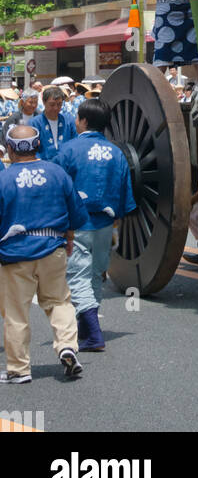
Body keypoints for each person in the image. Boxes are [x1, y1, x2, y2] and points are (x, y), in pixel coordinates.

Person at [0, 125, 85, 383]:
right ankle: (67, 346)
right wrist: (68, 238)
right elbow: (76, 212)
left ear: (10, 149)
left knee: (16, 313)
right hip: (53, 247)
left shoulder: (3, 179)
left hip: (15, 253)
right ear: (38, 146)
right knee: (59, 301)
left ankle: (19, 369)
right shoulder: (56, 173)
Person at [57, 98, 137, 352]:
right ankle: (86, 328)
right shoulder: (117, 153)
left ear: (83, 121)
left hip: (78, 224)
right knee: (94, 275)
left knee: (76, 277)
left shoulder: (69, 150)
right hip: (105, 223)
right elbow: (126, 190)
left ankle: (93, 332)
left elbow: (58, 187)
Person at [31, 85, 77, 162]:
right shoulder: (34, 123)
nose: (56, 108)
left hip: (66, 164)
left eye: (59, 104)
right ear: (44, 102)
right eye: (52, 104)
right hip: (44, 165)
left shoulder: (69, 120)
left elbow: (76, 142)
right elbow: (32, 150)